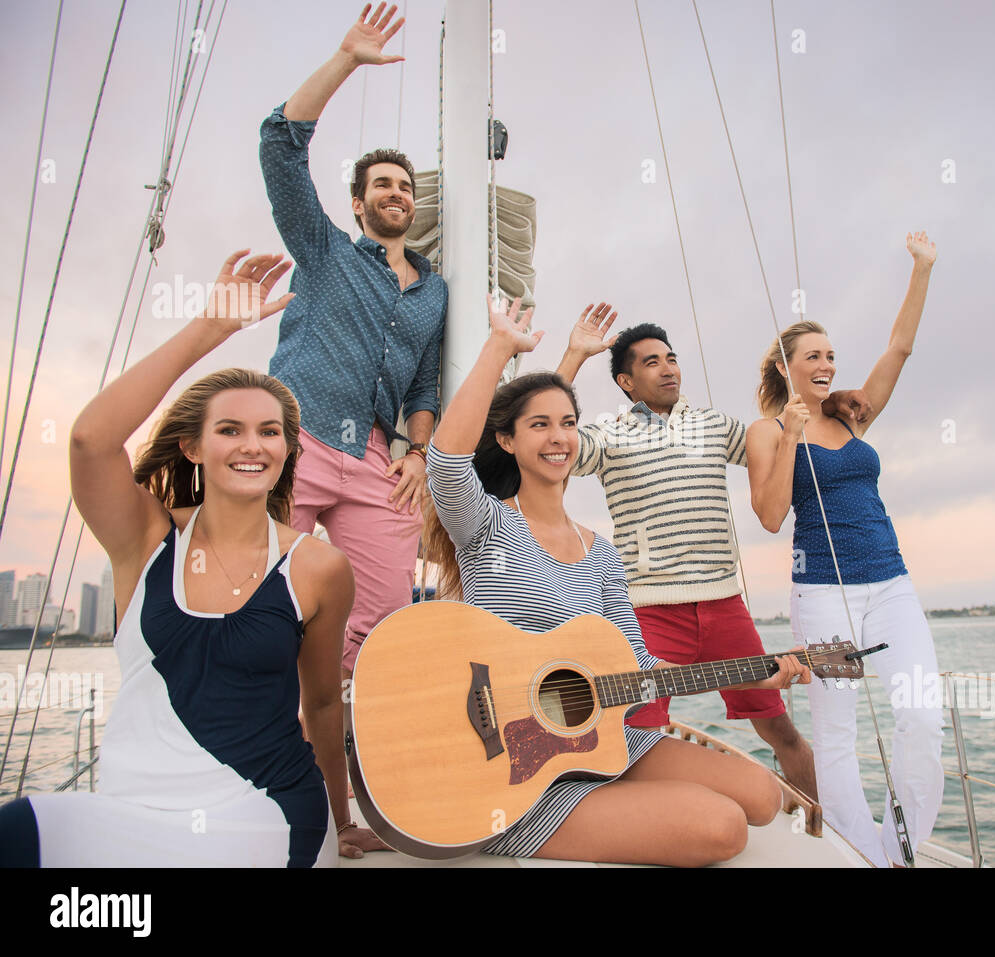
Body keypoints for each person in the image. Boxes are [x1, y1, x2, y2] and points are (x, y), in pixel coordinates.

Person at [0, 251, 375, 865]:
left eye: (270, 431)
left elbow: (324, 702)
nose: (253, 445)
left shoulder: (317, 568)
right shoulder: (144, 539)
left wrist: (341, 818)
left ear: (286, 448)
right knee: (18, 831)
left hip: (266, 814)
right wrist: (213, 328)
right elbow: (91, 441)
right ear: (192, 446)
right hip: (130, 814)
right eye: (230, 429)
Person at [422, 295, 812, 866]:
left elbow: (639, 666)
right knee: (723, 828)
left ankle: (608, 797)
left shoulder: (600, 554)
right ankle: (515, 822)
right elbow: (447, 460)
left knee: (762, 796)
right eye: (539, 425)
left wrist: (760, 673)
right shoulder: (485, 524)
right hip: (511, 760)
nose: (559, 437)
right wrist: (501, 345)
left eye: (568, 424)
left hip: (590, 738)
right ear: (507, 440)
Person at [556, 310, 872, 801]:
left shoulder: (714, 425)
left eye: (672, 359)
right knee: (640, 740)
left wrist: (831, 403)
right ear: (626, 380)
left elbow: (784, 442)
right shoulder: (608, 436)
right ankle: (651, 832)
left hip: (725, 606)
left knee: (782, 732)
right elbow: (548, 436)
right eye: (652, 363)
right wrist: (575, 355)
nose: (668, 369)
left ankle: (831, 835)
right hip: (648, 613)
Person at [259, 2, 444, 683]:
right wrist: (346, 60)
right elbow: (278, 144)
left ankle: (334, 732)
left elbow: (424, 384)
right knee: (261, 589)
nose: (397, 193)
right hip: (294, 435)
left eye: (405, 186)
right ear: (359, 204)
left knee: (385, 616)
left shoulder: (435, 291)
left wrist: (419, 450)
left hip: (373, 455)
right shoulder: (324, 249)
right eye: (382, 186)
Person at [746, 231, 942, 868]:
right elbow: (771, 515)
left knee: (921, 720)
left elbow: (902, 349)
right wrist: (792, 438)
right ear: (785, 366)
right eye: (812, 355)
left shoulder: (854, 415)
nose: (826, 363)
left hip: (890, 585)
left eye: (830, 353)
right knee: (836, 736)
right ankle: (866, 856)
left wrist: (922, 267)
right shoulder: (767, 431)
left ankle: (899, 849)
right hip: (823, 594)